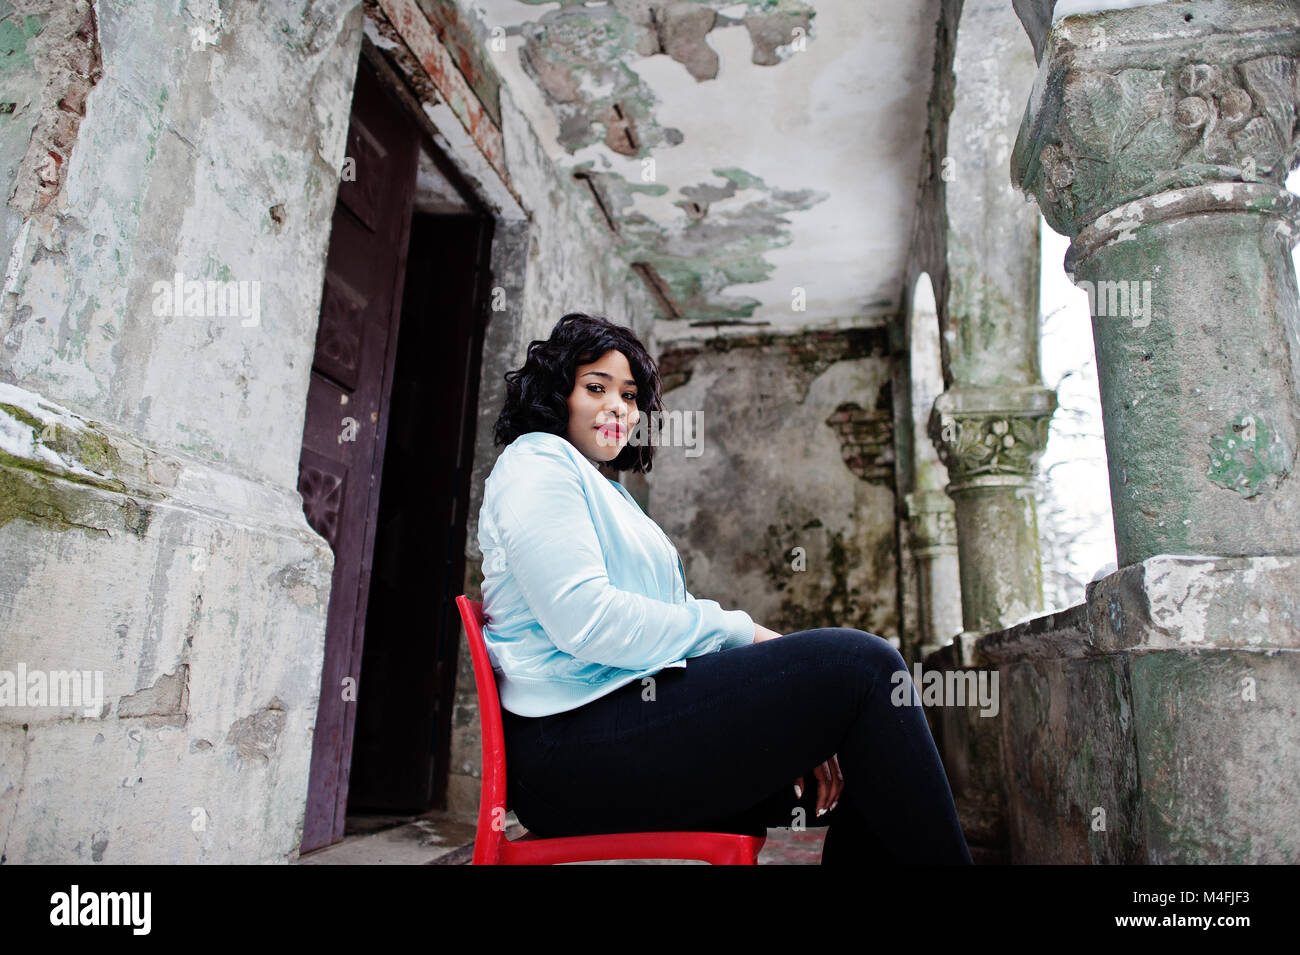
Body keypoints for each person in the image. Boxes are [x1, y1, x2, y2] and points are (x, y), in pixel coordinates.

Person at [477, 311, 973, 865]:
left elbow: (668, 613)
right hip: (569, 753)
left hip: (617, 725)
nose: (618, 407)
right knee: (864, 666)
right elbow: (588, 621)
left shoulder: (604, 490)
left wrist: (802, 713)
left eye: (631, 395)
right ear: (555, 392)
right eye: (596, 388)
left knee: (871, 748)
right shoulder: (536, 464)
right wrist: (747, 632)